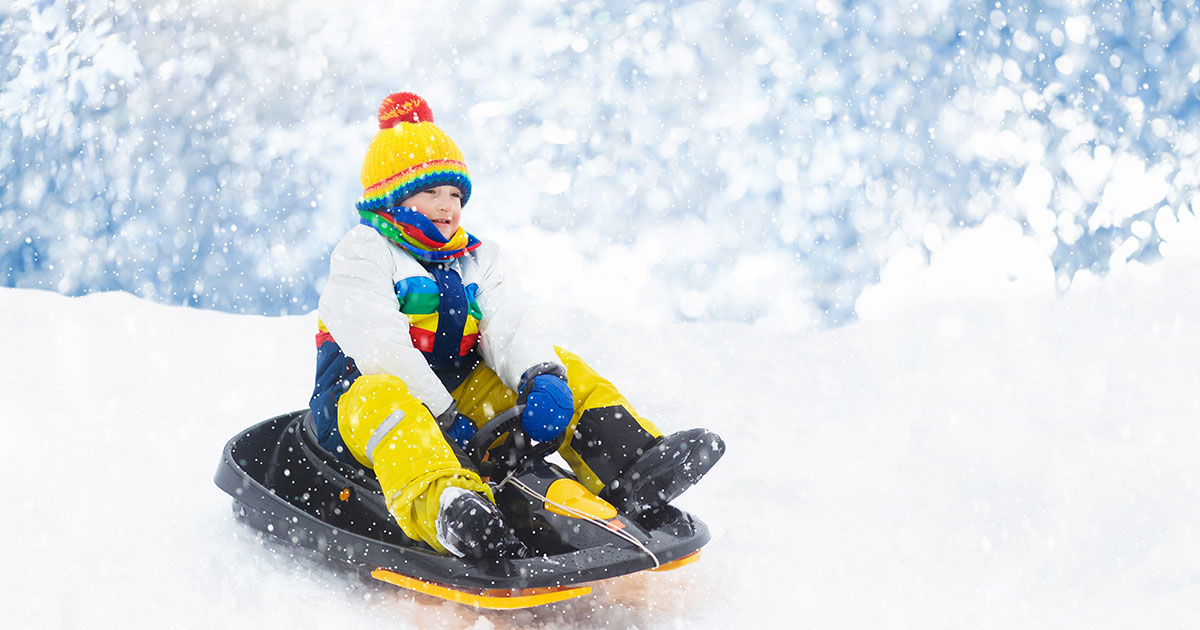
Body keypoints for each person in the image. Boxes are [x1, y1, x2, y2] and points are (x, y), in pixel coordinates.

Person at [309, 92, 724, 561]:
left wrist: (540, 376)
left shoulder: (477, 258)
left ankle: (629, 464)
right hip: (357, 405)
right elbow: (380, 348)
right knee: (387, 399)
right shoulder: (364, 252)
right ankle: (451, 509)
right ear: (391, 196)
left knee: (562, 367)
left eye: (455, 194)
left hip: (456, 396)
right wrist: (444, 418)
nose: (447, 206)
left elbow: (509, 327)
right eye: (431, 192)